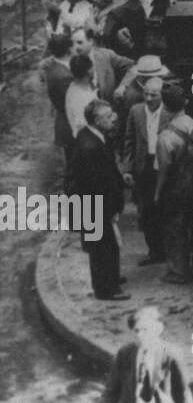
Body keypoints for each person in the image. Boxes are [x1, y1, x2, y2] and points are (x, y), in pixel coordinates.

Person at [70, 100, 127, 300]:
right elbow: (97, 183)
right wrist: (111, 209)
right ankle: (106, 289)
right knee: (103, 247)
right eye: (109, 116)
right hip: (95, 206)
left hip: (93, 204)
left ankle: (110, 279)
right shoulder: (90, 147)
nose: (114, 118)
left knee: (105, 246)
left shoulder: (90, 137)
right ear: (96, 120)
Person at [154, 86, 193, 284]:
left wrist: (158, 192)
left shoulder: (165, 136)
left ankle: (179, 270)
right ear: (186, 102)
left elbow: (164, 168)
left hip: (176, 187)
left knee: (175, 228)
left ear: (166, 108)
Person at [121, 75, 170, 266]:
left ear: (162, 96)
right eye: (146, 94)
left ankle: (170, 250)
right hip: (144, 166)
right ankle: (154, 251)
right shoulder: (136, 111)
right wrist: (128, 168)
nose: (149, 98)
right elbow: (129, 140)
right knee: (147, 211)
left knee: (165, 208)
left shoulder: (168, 112)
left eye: (154, 95)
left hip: (164, 164)